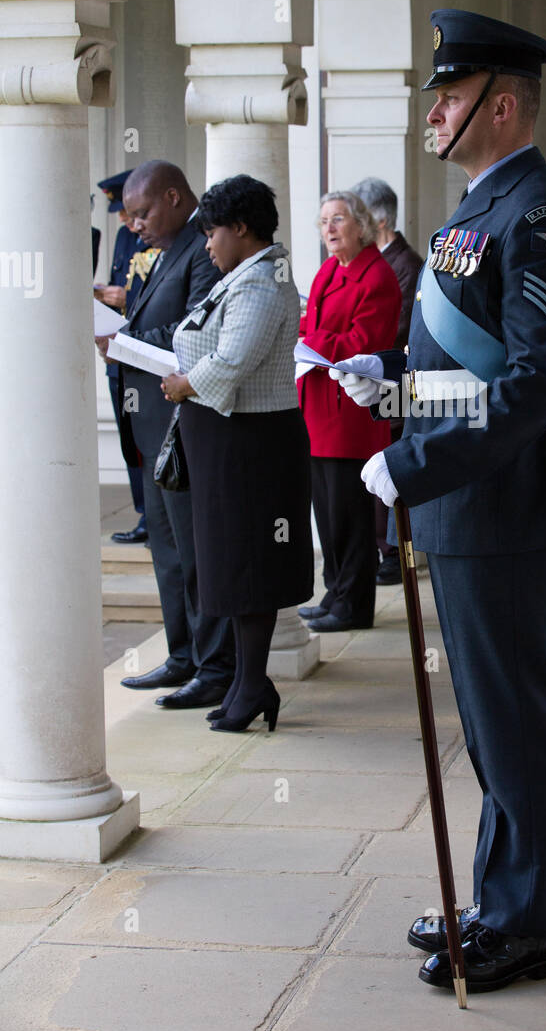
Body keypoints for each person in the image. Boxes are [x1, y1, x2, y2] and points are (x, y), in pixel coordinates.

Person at [332, 10, 546, 993]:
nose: (434, 110)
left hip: (498, 502)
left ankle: (525, 923)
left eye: (451, 94)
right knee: (487, 721)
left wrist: (415, 466)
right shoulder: (475, 209)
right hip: (460, 497)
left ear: (503, 103)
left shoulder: (538, 213)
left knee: (516, 714)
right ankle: (498, 895)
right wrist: (389, 391)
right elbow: (452, 364)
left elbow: (534, 383)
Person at [159, 175, 314, 733]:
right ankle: (251, 682)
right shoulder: (245, 276)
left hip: (251, 442)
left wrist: (182, 385)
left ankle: (251, 684)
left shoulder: (260, 284)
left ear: (241, 229)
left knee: (252, 567)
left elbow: (231, 362)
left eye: (211, 232)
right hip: (229, 439)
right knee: (234, 565)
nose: (206, 244)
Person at [95, 160, 235, 708]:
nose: (134, 225)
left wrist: (123, 338)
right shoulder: (162, 248)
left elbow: (193, 330)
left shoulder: (204, 246)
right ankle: (182, 654)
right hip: (150, 423)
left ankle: (212, 665)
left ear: (175, 198)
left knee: (194, 547)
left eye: (142, 212)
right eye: (129, 216)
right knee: (166, 545)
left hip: (185, 422)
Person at [296, 191, 401, 633]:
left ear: (360, 224)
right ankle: (334, 592)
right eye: (323, 222)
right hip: (318, 409)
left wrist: (313, 340)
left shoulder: (377, 277)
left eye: (338, 219)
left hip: (350, 413)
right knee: (327, 515)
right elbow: (307, 327)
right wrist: (311, 338)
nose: (330, 229)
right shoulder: (327, 270)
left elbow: (363, 344)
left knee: (351, 519)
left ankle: (355, 605)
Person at [351, 177, 423, 585]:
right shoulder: (381, 262)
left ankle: (395, 551)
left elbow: (399, 331)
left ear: (378, 221)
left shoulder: (404, 265)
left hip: (395, 384)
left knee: (392, 471)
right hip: (378, 383)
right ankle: (387, 547)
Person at [94, 169, 155, 544]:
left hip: (145, 351)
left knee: (148, 436)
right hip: (119, 352)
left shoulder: (157, 239)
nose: (122, 218)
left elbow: (145, 294)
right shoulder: (121, 236)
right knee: (127, 437)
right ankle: (143, 513)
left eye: (127, 210)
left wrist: (124, 298)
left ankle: (155, 514)